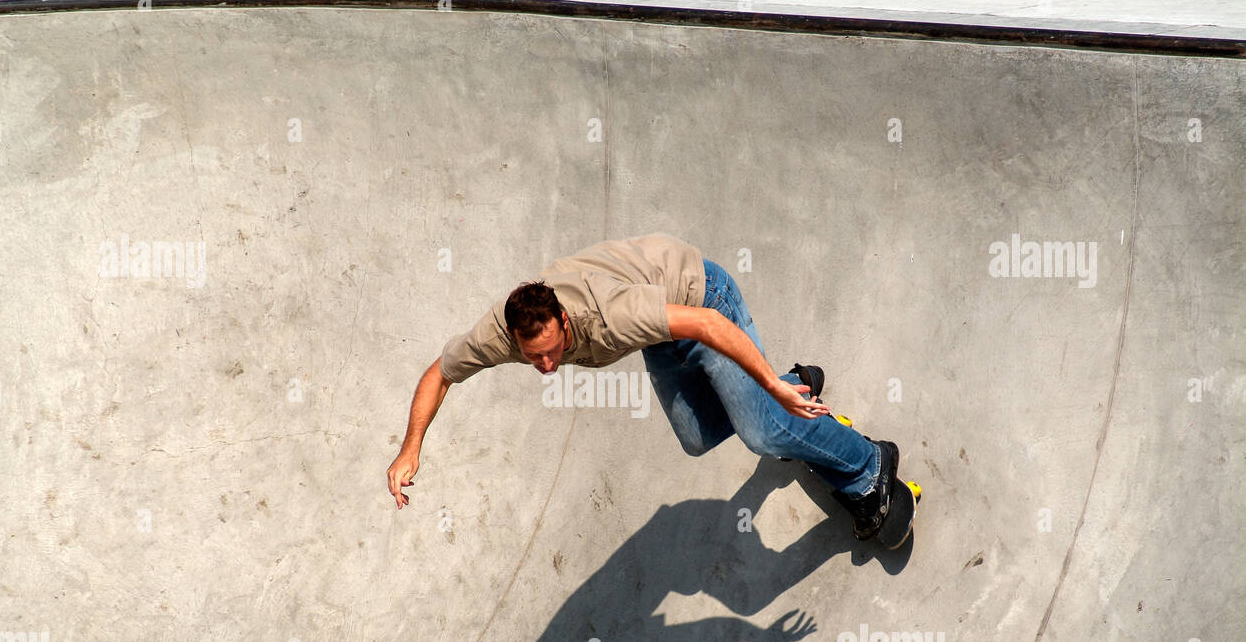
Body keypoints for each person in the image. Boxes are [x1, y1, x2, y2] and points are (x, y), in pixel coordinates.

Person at [385, 232, 900, 539]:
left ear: (565, 324)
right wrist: (411, 448)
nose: (545, 367)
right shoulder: (501, 334)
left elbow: (709, 327)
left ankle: (868, 464)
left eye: (551, 352)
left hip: (702, 299)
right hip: (662, 327)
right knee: (697, 437)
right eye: (532, 356)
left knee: (762, 434)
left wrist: (767, 386)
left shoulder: (611, 317)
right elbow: (440, 372)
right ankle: (794, 389)